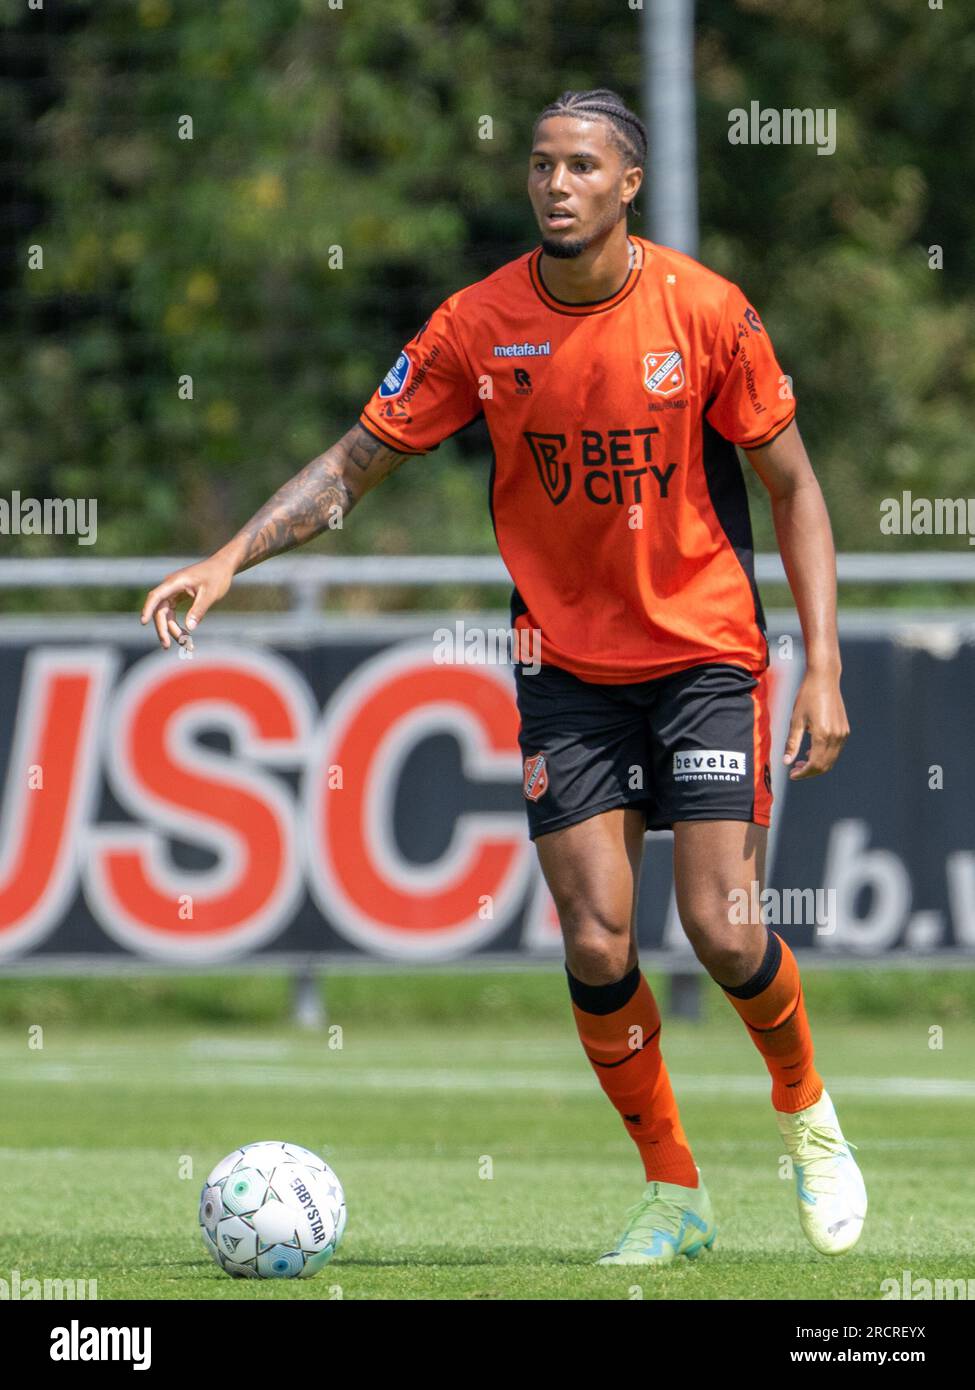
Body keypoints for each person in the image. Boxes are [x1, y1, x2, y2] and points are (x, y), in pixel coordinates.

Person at [141, 86, 866, 1267]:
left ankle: (805, 1111)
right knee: (594, 941)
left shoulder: (707, 313)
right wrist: (229, 558)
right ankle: (675, 1193)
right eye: (540, 165)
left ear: (628, 183)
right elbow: (351, 466)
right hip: (564, 665)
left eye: (582, 165)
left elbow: (796, 488)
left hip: (703, 650)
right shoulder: (480, 324)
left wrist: (822, 665)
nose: (556, 184)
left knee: (726, 928)